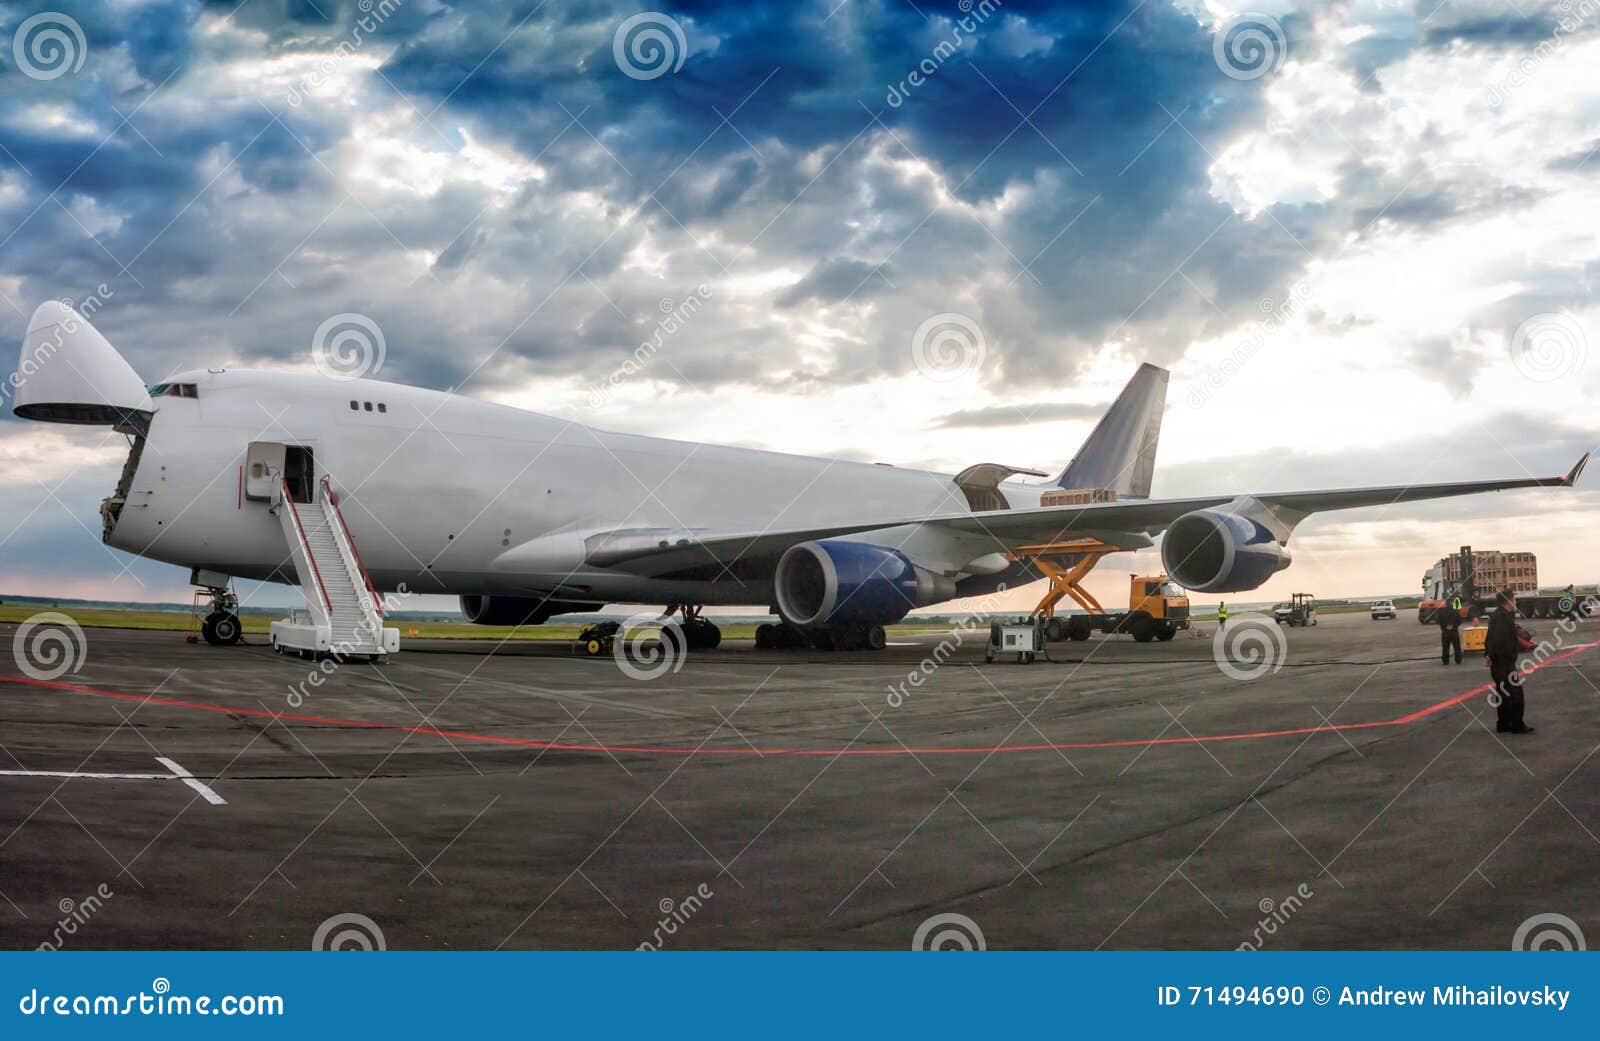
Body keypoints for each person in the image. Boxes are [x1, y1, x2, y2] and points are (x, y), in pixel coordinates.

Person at [1485, 588, 1533, 734]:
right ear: (1508, 601)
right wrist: (1491, 656)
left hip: (1502, 661)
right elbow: (1496, 640)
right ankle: (1517, 725)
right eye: (1514, 599)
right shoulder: (1502, 617)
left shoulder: (1503, 615)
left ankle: (1504, 724)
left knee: (1504, 693)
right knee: (1515, 693)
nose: (1515, 601)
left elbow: (1490, 638)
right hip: (1503, 661)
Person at [1437, 593, 1463, 665]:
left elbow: (1439, 621)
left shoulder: (1441, 611)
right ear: (1451, 602)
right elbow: (1459, 621)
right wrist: (1454, 626)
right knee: (1457, 646)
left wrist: (1445, 627)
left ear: (1445, 602)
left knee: (1445, 647)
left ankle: (1445, 661)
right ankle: (1458, 660)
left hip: (1445, 632)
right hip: (1454, 631)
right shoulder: (1456, 610)